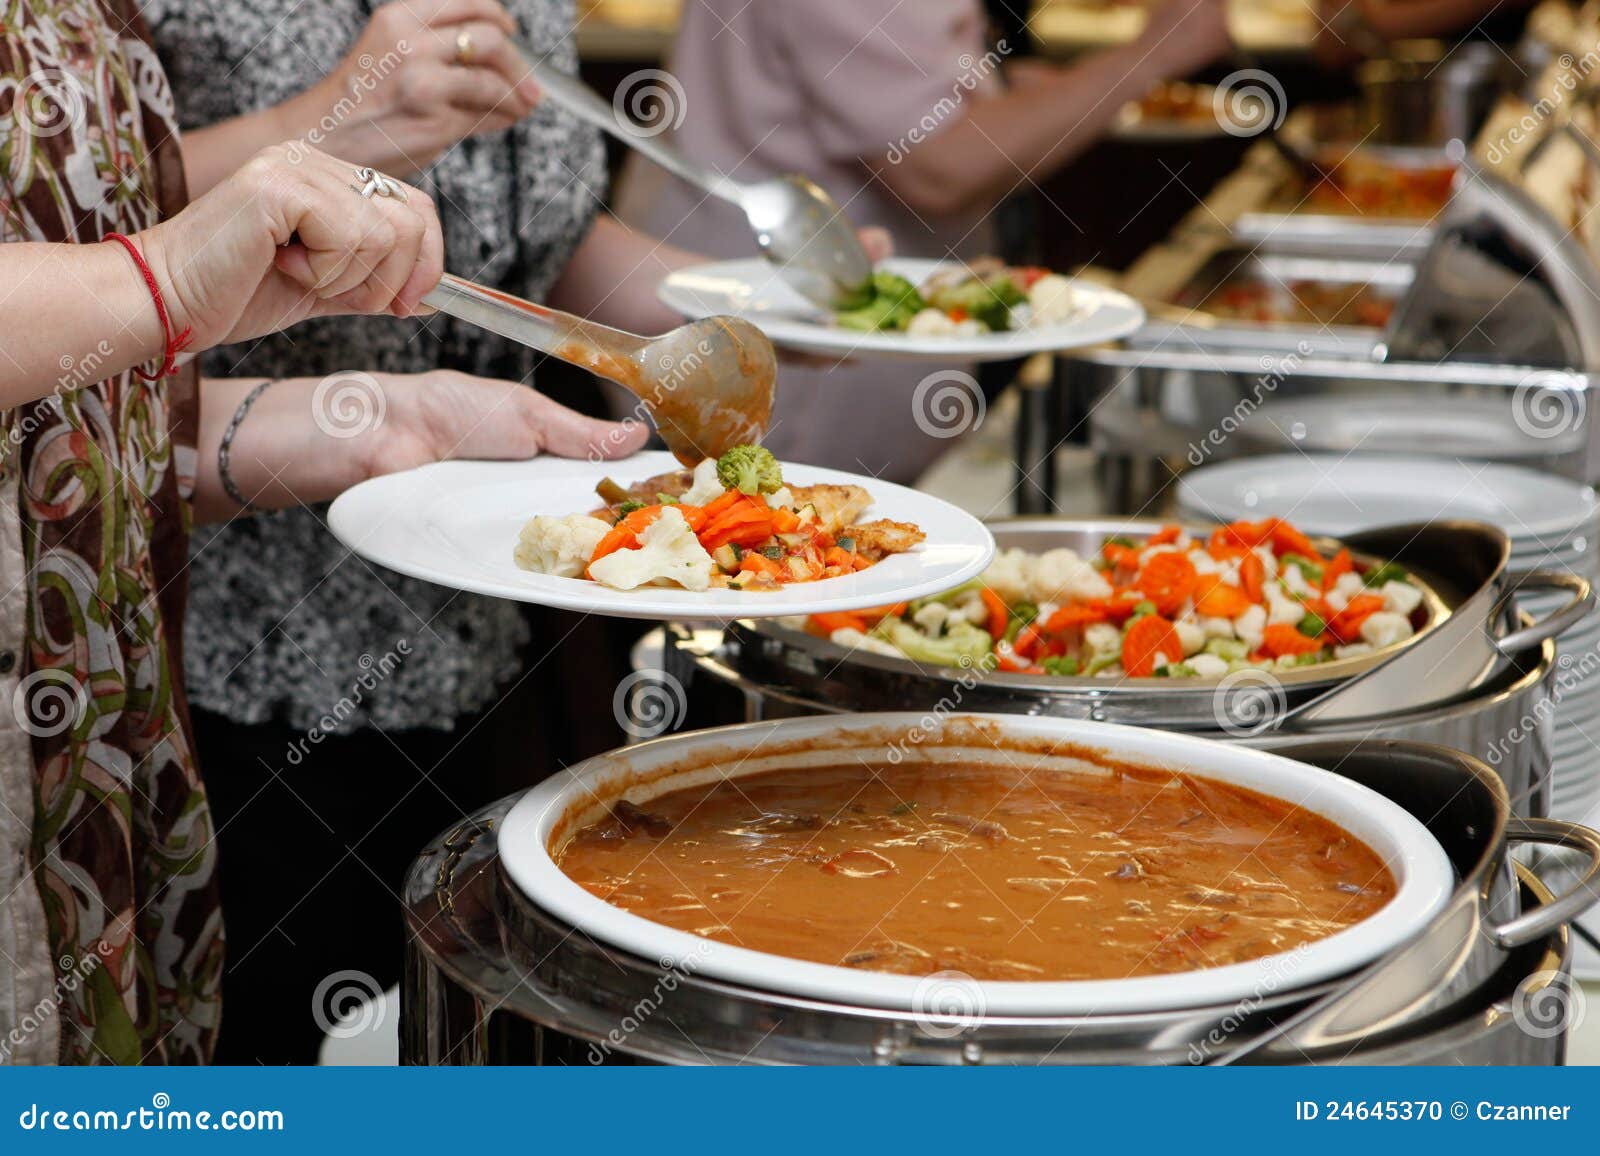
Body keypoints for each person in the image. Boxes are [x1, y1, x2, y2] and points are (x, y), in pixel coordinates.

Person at [0, 0, 643, 1064]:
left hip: (109, 712)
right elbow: (123, 264)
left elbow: (95, 408)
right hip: (220, 674)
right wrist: (172, 270)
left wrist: (387, 419)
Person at [616, 0, 1232, 481]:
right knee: (765, 577)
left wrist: (1002, 86)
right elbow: (937, 166)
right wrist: (1155, 52)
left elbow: (891, 82)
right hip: (779, 360)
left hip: (785, 333)